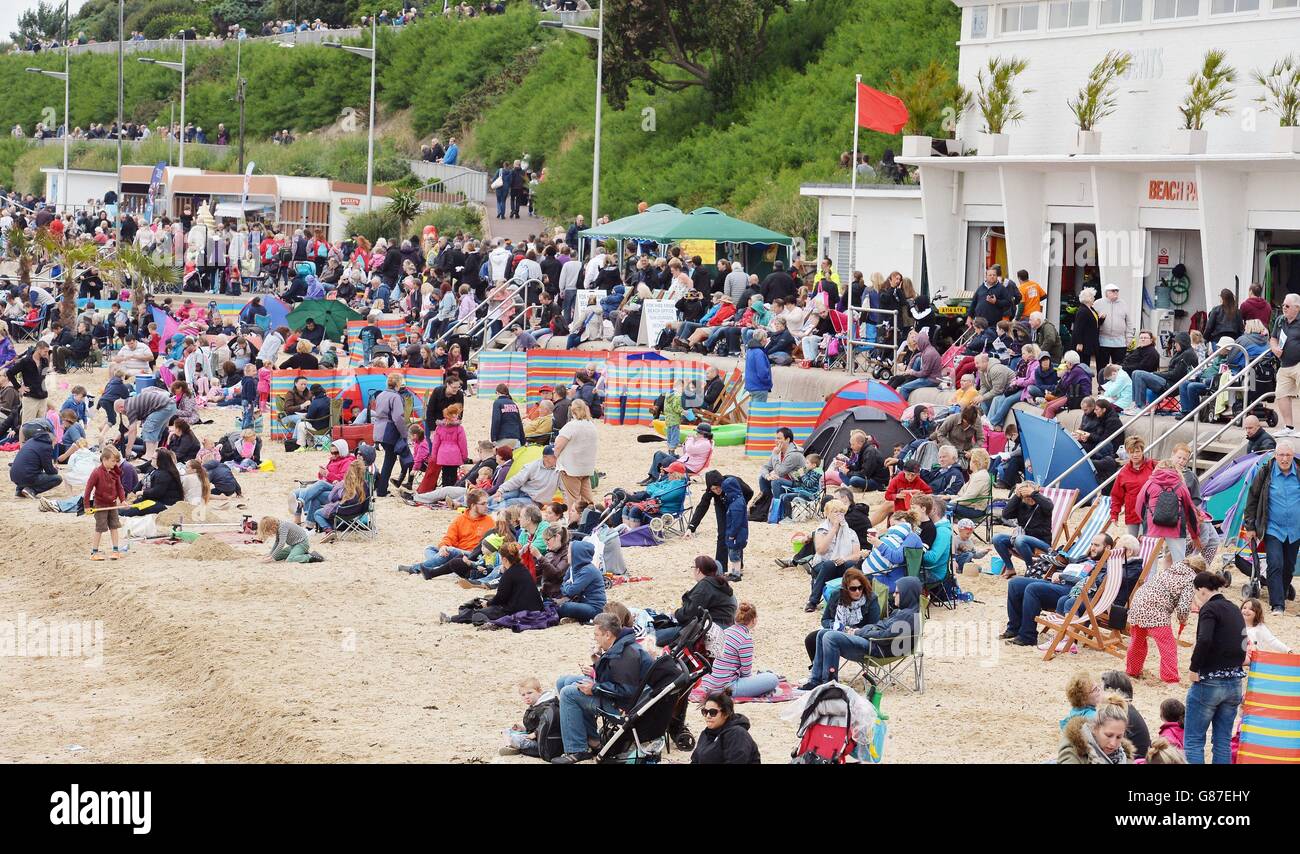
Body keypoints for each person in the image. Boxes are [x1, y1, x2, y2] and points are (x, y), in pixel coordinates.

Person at [551, 612, 651, 764]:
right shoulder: (623, 644)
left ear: (608, 635)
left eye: (596, 635)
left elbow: (627, 691)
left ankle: (577, 749)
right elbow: (613, 676)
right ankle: (593, 740)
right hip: (625, 697)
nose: (595, 638)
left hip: (625, 707)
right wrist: (597, 662)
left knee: (568, 693)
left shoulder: (624, 654)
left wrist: (594, 688)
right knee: (564, 681)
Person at [801, 576, 923, 692]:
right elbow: (880, 626)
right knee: (822, 633)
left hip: (879, 648)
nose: (894, 595)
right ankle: (815, 680)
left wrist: (859, 632)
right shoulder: (901, 612)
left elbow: (885, 636)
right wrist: (862, 631)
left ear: (907, 594)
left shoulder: (908, 616)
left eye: (897, 593)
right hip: (874, 642)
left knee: (830, 636)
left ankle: (830, 684)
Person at [1184, 571, 1248, 764]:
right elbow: (1243, 643)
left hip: (1210, 681)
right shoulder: (1234, 608)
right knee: (1222, 741)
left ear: (1201, 590)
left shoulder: (1210, 608)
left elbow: (1204, 639)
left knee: (1194, 741)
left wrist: (1194, 668)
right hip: (1235, 683)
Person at [1241, 438, 1300, 613]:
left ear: (1293, 456)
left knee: (1289, 567)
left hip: (1295, 530)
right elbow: (1252, 499)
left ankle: (1280, 594)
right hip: (1273, 528)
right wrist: (1250, 526)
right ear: (1275, 456)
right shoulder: (1265, 472)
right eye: (1281, 455)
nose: (1284, 459)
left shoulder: (1298, 471)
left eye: (1288, 455)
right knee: (1275, 563)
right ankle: (1277, 604)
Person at [398, 487, 495, 577]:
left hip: (472, 555)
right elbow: (449, 537)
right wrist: (443, 546)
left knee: (450, 550)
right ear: (473, 505)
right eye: (483, 504)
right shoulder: (460, 519)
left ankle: (415, 568)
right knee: (430, 549)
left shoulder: (490, 521)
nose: (487, 506)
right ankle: (444, 566)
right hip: (456, 552)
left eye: (486, 503)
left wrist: (448, 549)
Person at [440, 541, 543, 625]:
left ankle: (451, 619)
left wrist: (488, 603)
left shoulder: (508, 575)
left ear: (504, 559)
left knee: (479, 611)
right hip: (534, 607)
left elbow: (501, 598)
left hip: (517, 609)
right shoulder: (523, 570)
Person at [655, 556, 736, 646]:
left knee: (653, 637)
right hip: (724, 628)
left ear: (698, 570)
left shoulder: (706, 585)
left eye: (693, 568)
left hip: (709, 630)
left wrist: (676, 613)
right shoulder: (718, 583)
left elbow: (689, 614)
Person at [688, 470, 752, 578]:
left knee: (736, 534)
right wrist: (691, 527)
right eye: (713, 489)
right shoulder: (711, 492)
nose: (716, 490)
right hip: (721, 504)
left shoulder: (733, 481)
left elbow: (749, 492)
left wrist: (740, 504)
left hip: (736, 504)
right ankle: (720, 567)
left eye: (718, 487)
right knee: (722, 534)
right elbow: (702, 506)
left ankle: (737, 565)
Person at [1134, 459, 1201, 563]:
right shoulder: (1181, 486)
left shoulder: (1150, 483)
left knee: (1149, 564)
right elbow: (1190, 512)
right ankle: (1178, 579)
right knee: (1179, 564)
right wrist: (1195, 535)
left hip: (1153, 528)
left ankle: (1149, 580)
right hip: (1176, 529)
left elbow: (1139, 505)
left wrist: (1145, 523)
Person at [805, 498, 864, 610]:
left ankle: (854, 599)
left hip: (841, 563)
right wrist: (834, 529)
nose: (839, 515)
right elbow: (820, 550)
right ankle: (813, 601)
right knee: (829, 565)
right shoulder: (822, 530)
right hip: (823, 564)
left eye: (841, 512)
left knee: (851, 565)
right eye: (835, 512)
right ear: (828, 514)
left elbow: (856, 555)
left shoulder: (850, 532)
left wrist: (844, 559)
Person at [993, 481, 1056, 578]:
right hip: (1022, 542)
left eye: (1031, 496)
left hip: (1041, 543)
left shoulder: (1043, 503)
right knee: (997, 538)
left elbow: (1049, 507)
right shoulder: (1021, 504)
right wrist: (1017, 496)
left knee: (1020, 539)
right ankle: (1010, 568)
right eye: (1026, 497)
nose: (1030, 499)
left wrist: (1033, 494)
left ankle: (1030, 569)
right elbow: (1005, 514)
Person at [1058, 693, 1133, 764]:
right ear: (1095, 729)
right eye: (1108, 735)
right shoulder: (1073, 750)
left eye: (1119, 737)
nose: (1113, 743)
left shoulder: (1123, 757)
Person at [690, 690, 761, 764]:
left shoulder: (737, 734)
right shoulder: (706, 733)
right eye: (705, 712)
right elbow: (695, 760)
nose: (708, 716)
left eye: (713, 712)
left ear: (726, 714)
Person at [371, 373, 410, 498]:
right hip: (389, 429)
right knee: (390, 459)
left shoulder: (381, 394)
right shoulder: (395, 397)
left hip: (379, 429)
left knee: (389, 458)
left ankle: (383, 486)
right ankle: (382, 489)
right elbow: (398, 418)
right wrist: (404, 434)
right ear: (398, 383)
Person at [553, 399, 597, 507]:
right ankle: (591, 517)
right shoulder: (591, 425)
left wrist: (554, 459)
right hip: (586, 467)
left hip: (571, 468)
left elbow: (558, 446)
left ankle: (574, 521)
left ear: (572, 411)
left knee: (573, 499)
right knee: (587, 499)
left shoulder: (571, 426)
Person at [1101, 670, 1151, 759]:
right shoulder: (1128, 709)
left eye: (1103, 689)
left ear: (1113, 691)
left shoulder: (1120, 714)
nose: (1101, 694)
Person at [554, 539, 606, 623]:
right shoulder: (573, 568)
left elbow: (571, 591)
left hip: (594, 608)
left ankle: (575, 617)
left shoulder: (589, 570)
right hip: (582, 603)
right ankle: (574, 617)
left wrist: (567, 586)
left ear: (577, 555)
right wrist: (567, 585)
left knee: (565, 607)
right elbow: (563, 584)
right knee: (552, 603)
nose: (567, 555)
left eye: (569, 552)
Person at [6, 340, 51, 424]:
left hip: (43, 397)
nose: (47, 354)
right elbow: (9, 373)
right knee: (27, 426)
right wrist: (19, 387)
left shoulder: (45, 361)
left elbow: (42, 377)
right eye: (45, 351)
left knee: (40, 426)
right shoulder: (25, 361)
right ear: (38, 349)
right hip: (30, 397)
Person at [1095, 283, 1130, 372]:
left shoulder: (1123, 303)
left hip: (1120, 342)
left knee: (1119, 367)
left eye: (1117, 291)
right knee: (1102, 367)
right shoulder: (1098, 303)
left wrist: (1129, 338)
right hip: (1103, 340)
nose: (1115, 293)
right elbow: (1092, 322)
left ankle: (1117, 385)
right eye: (1113, 291)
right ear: (1106, 292)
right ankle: (1102, 385)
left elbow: (1129, 322)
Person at [489, 383, 524, 448]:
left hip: (503, 438)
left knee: (499, 457)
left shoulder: (497, 403)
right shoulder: (513, 404)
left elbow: (496, 421)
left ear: (497, 392)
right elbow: (519, 423)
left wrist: (493, 438)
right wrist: (523, 441)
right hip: (516, 438)